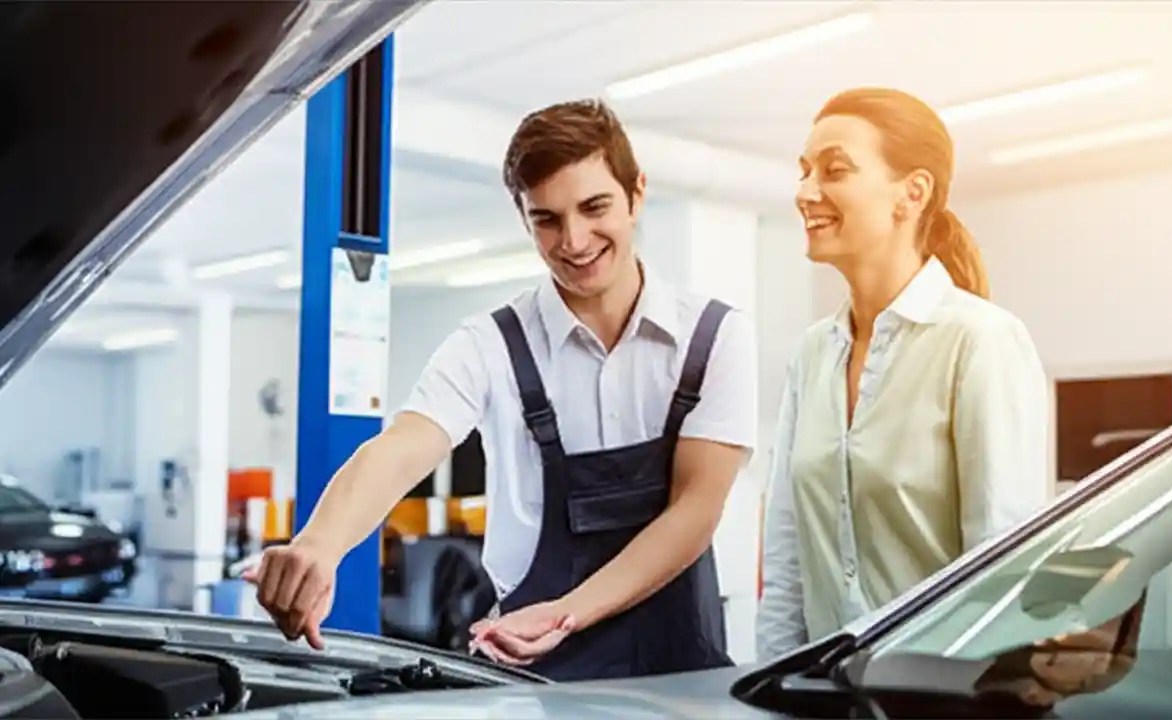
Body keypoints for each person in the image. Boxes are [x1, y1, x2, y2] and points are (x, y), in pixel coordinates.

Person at [247, 98, 758, 682]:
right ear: (523, 218)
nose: (575, 239)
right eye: (546, 218)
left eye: (595, 207)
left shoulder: (714, 338)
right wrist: (320, 542)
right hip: (534, 672)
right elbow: (401, 448)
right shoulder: (490, 344)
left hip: (679, 675)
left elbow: (695, 511)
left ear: (636, 193)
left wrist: (567, 614)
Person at [755, 87, 1050, 661]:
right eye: (804, 171)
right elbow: (788, 560)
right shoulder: (813, 353)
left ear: (912, 194)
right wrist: (773, 684)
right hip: (824, 693)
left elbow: (998, 564)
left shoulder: (979, 341)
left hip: (937, 695)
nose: (805, 192)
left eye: (833, 170)